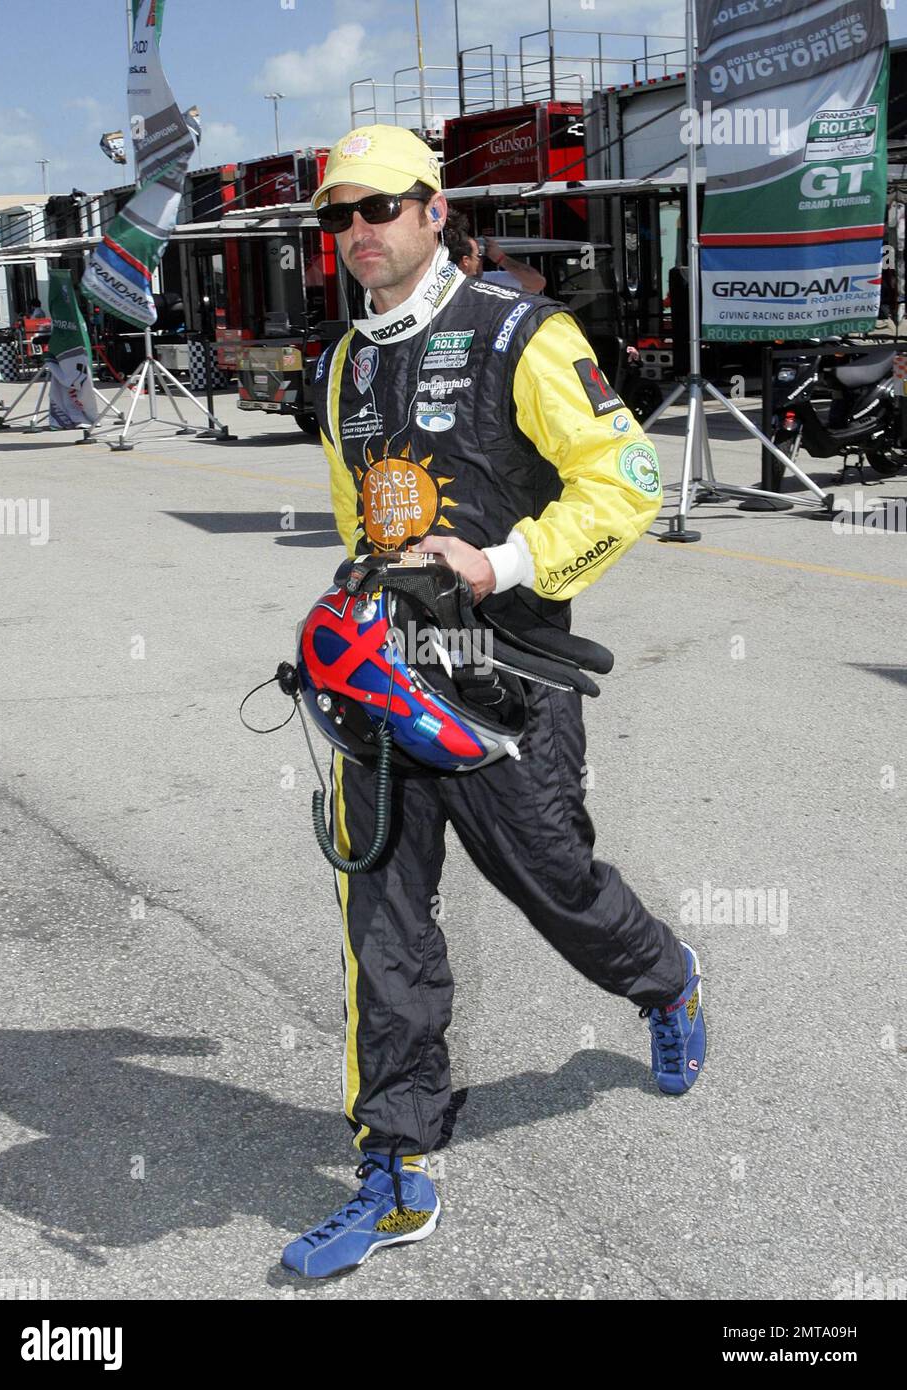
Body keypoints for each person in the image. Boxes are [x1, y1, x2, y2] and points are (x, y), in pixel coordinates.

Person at [281, 124, 706, 1279]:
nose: (358, 231)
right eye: (337, 217)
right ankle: (399, 1163)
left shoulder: (523, 331)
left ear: (433, 210)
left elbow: (629, 482)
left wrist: (497, 564)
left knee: (555, 881)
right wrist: (351, 614)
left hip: (508, 680)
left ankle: (664, 976)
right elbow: (354, 515)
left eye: (379, 207)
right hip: (382, 686)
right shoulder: (340, 366)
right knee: (383, 929)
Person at [443, 205, 545, 293]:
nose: (481, 261)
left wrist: (501, 259)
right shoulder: (447, 287)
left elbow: (538, 283)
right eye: (479, 256)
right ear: (466, 261)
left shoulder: (491, 280)